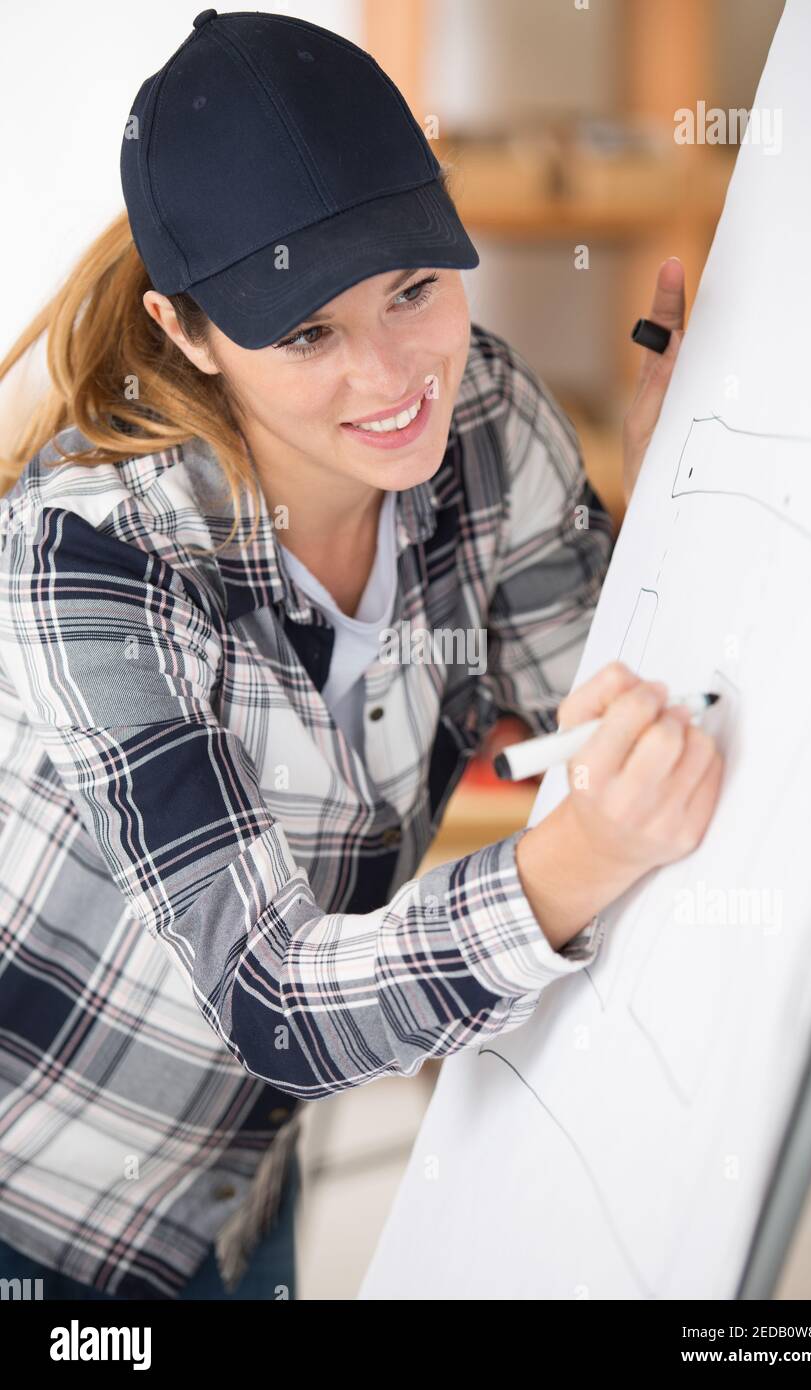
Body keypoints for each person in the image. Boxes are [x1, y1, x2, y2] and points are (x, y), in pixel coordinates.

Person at [0, 10, 721, 1300]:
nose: (396, 376)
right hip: (32, 1212)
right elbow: (271, 995)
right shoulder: (91, 560)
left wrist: (689, 501)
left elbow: (621, 717)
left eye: (414, 289)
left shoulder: (489, 417)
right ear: (187, 331)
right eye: (308, 335)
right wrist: (572, 862)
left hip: (231, 1205)